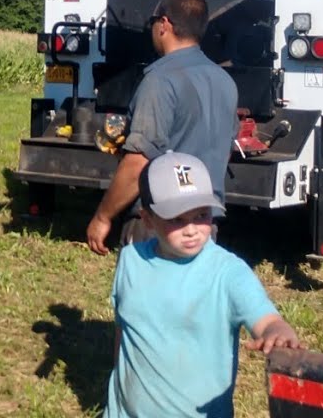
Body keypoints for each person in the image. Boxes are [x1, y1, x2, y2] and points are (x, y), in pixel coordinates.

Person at [106, 151, 302, 418]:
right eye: (176, 219)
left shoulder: (227, 272)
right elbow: (124, 329)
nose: (191, 229)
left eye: (201, 215)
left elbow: (266, 320)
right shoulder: (131, 260)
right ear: (148, 219)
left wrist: (276, 331)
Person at [87, 0, 237, 255]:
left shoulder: (160, 80)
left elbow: (139, 162)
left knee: (146, 297)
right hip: (205, 226)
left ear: (164, 24)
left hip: (160, 225)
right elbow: (224, 149)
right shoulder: (225, 81)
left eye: (152, 22)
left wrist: (103, 216)